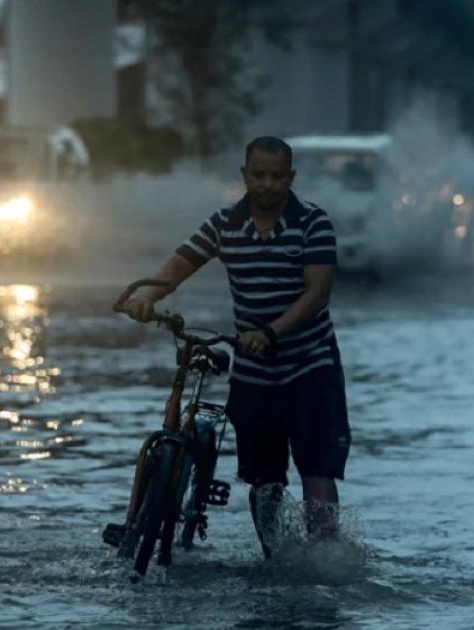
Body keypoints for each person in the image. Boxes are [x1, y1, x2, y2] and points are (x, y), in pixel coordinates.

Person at [120, 136, 351, 558]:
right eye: (258, 175)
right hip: (254, 372)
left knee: (316, 469)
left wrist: (271, 332)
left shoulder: (313, 223)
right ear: (244, 176)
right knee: (264, 480)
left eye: (276, 176)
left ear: (290, 178)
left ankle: (324, 559)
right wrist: (147, 298)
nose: (266, 184)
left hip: (310, 367)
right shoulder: (225, 223)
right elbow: (178, 266)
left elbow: (317, 292)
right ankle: (277, 559)